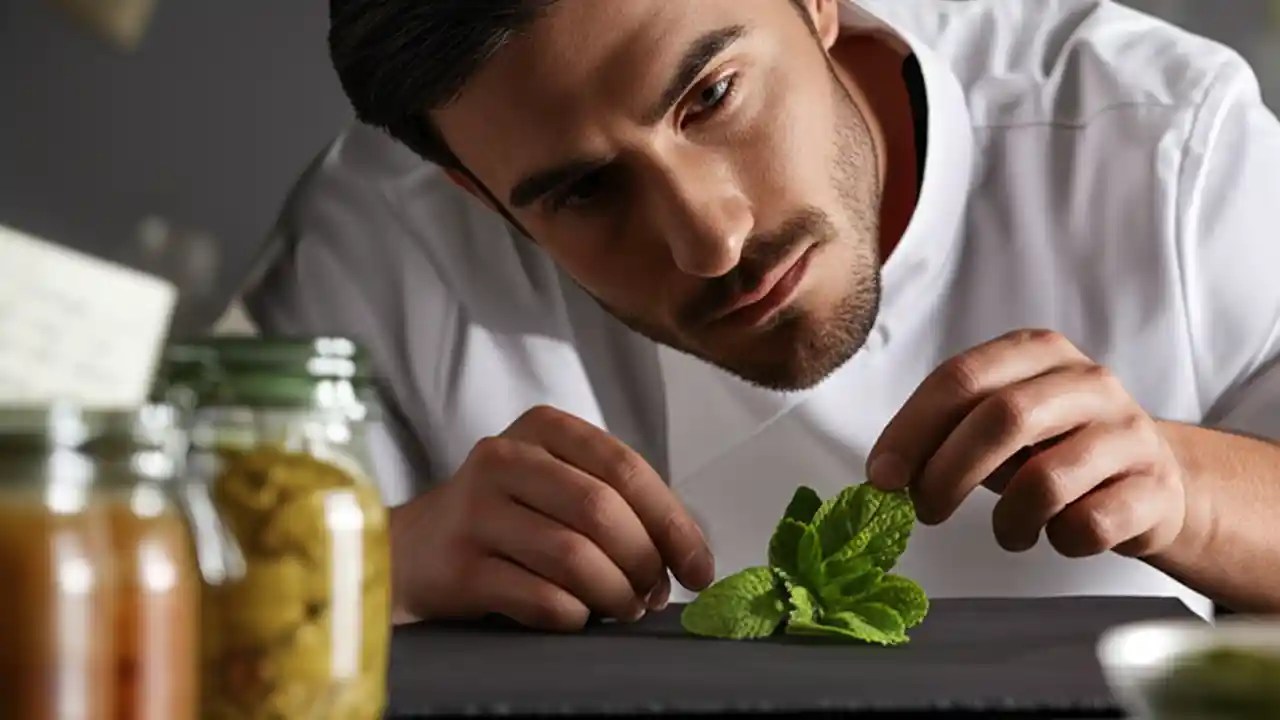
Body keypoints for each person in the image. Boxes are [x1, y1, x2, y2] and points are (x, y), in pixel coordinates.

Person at [242, 0, 1280, 630]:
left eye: (710, 96)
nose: (711, 241)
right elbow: (187, 601)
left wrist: (1185, 491)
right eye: (586, 192)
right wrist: (385, 559)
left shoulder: (1162, 145)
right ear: (476, 193)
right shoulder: (380, 240)